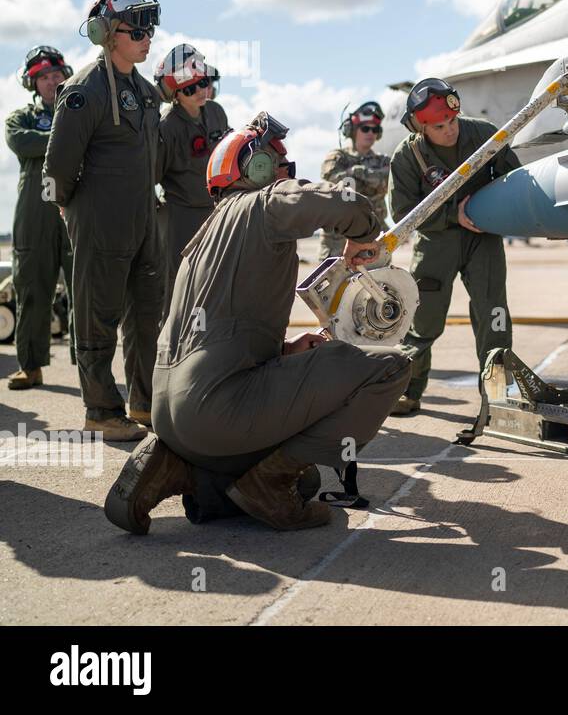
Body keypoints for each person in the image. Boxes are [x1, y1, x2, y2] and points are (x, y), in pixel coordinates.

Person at [103, 113, 411, 534]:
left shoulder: (202, 237)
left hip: (168, 409)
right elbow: (345, 203)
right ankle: (269, 483)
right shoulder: (264, 204)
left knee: (306, 480)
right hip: (218, 407)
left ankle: (175, 465)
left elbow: (217, 331)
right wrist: (362, 233)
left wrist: (285, 352)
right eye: (280, 163)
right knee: (390, 368)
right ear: (258, 168)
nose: (288, 172)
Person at [44, 0, 165, 441]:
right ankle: (100, 410)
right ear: (105, 34)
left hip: (143, 220)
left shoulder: (147, 93)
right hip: (99, 220)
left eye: (149, 30)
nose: (147, 38)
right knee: (98, 317)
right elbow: (57, 166)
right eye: (137, 31)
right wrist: (70, 210)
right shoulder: (83, 91)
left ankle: (143, 402)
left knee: (146, 316)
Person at [387, 78, 519, 416]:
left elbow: (516, 179)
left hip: (483, 238)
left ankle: (497, 395)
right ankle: (410, 390)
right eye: (440, 126)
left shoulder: (484, 134)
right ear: (421, 127)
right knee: (422, 320)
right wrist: (452, 214)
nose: (450, 131)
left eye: (452, 122)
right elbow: (402, 214)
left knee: (494, 315)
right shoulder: (407, 156)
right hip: (437, 242)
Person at [5, 46, 75, 390]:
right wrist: (64, 140)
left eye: (57, 75)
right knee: (31, 289)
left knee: (85, 290)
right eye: (44, 77)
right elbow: (20, 141)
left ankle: (91, 368)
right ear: (33, 83)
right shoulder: (22, 118)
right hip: (34, 213)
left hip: (74, 209)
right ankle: (30, 367)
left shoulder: (80, 111)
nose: (52, 81)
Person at [154, 44, 229, 305]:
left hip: (216, 213)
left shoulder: (216, 113)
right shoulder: (168, 126)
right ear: (176, 94)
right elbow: (151, 176)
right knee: (177, 287)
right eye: (189, 88)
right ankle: (171, 345)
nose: (199, 92)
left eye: (203, 83)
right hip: (180, 217)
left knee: (215, 281)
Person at [318, 101, 391, 260]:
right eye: (365, 128)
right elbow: (333, 184)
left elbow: (385, 182)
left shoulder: (384, 161)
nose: (370, 133)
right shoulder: (336, 157)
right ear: (351, 130)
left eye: (375, 129)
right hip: (337, 240)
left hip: (373, 237)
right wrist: (370, 179)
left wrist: (355, 172)